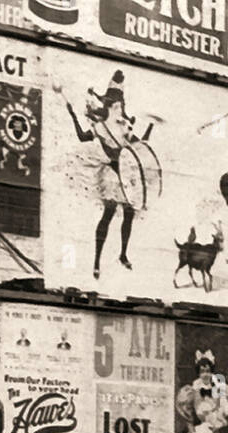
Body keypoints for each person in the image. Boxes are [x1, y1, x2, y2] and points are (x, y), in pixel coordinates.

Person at [61, 70, 155, 280]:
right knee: (109, 215)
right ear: (112, 105)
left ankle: (122, 254)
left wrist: (150, 129)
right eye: (118, 104)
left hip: (125, 174)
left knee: (129, 215)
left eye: (121, 103)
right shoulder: (101, 127)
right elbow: (82, 137)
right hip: (112, 175)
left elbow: (138, 146)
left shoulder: (124, 126)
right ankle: (96, 261)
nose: (120, 106)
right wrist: (73, 115)